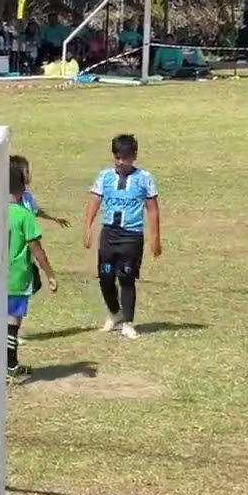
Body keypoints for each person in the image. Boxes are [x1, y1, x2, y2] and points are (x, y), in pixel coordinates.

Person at [0, 164, 58, 379]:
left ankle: (4, 363)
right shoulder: (24, 215)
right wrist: (50, 274)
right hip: (18, 277)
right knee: (12, 323)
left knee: (1, 320)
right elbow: (37, 249)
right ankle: (9, 365)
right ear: (23, 188)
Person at [82, 134, 162, 340]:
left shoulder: (144, 178)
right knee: (106, 275)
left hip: (131, 237)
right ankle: (115, 313)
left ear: (133, 156)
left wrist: (155, 238)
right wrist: (88, 228)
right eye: (117, 157)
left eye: (124, 158)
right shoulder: (105, 177)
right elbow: (94, 202)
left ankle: (128, 322)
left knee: (126, 277)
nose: (120, 162)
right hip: (109, 235)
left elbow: (152, 210)